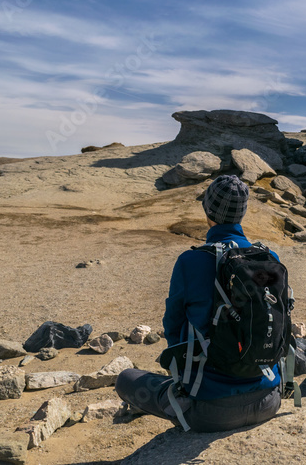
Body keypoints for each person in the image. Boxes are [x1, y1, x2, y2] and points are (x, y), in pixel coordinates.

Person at [115, 174, 282, 432]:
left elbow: (173, 326)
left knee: (126, 378)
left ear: (207, 209)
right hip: (270, 400)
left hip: (210, 411)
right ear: (243, 213)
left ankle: (159, 404)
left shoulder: (190, 262)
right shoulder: (269, 257)